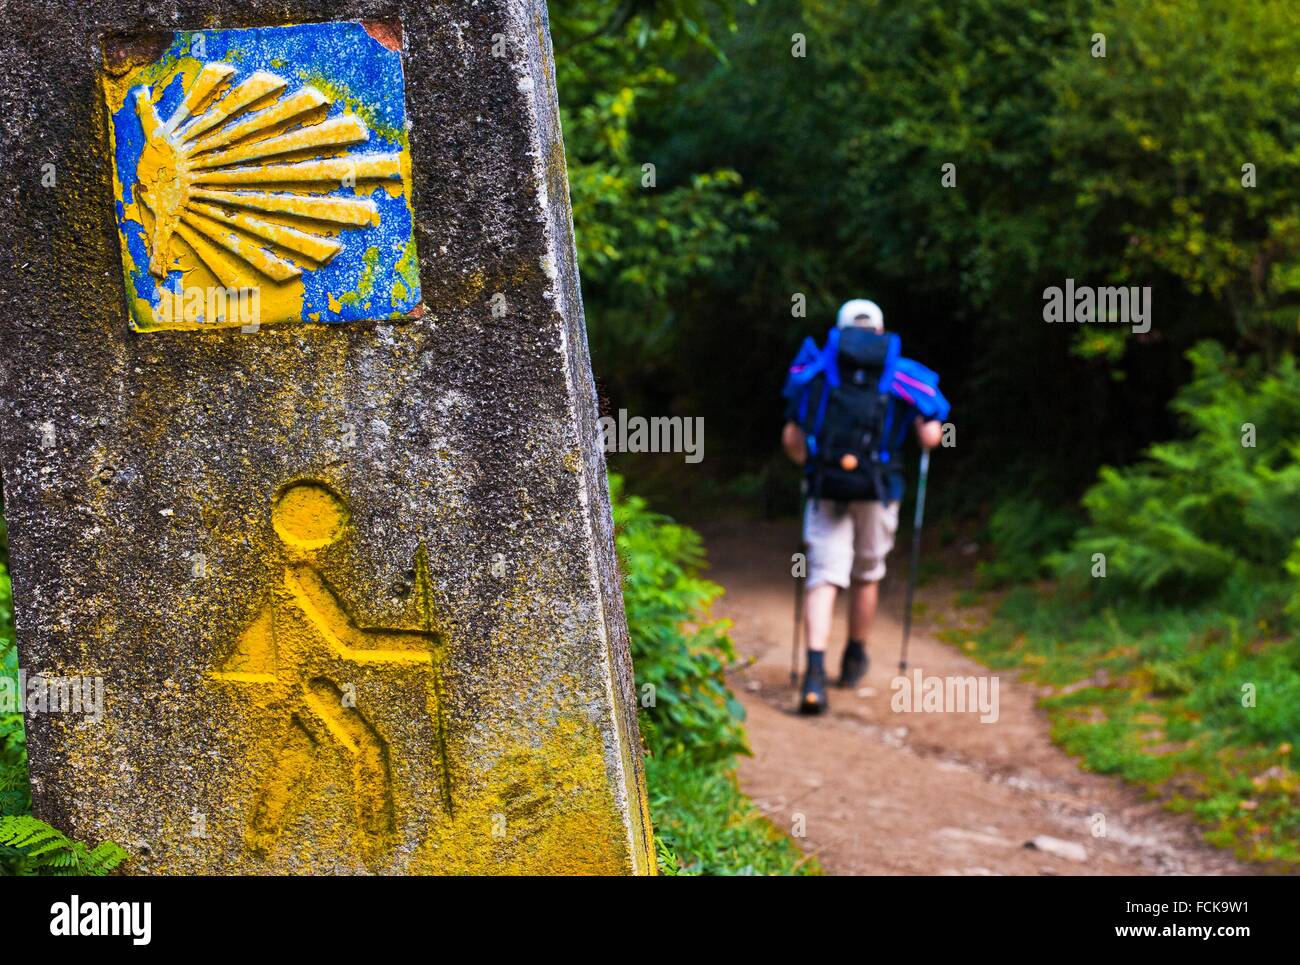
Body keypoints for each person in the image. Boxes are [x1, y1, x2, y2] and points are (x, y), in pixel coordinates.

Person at [781, 299, 944, 714]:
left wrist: (812, 465)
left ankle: (814, 675)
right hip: (879, 486)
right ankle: (854, 657)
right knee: (866, 573)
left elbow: (792, 442)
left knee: (823, 575)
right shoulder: (903, 374)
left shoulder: (817, 371)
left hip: (827, 486)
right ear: (881, 330)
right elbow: (930, 437)